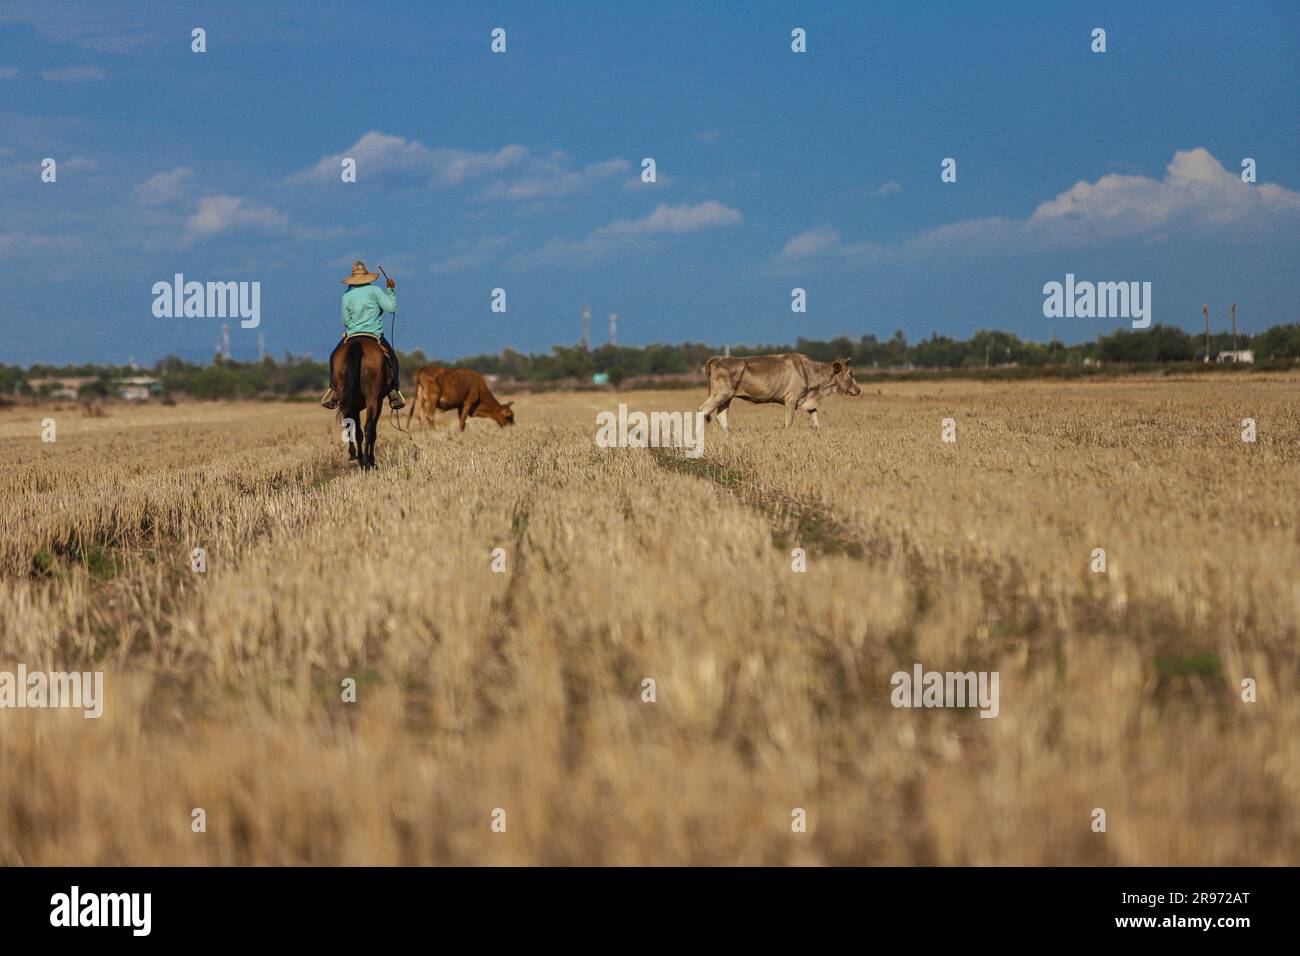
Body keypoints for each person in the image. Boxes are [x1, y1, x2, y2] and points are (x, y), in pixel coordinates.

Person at [320, 260, 404, 410]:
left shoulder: (346, 295)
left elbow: (345, 320)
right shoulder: (376, 291)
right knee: (393, 359)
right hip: (374, 335)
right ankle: (394, 391)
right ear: (367, 277)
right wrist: (391, 291)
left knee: (333, 357)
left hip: (352, 334)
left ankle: (333, 390)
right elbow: (391, 308)